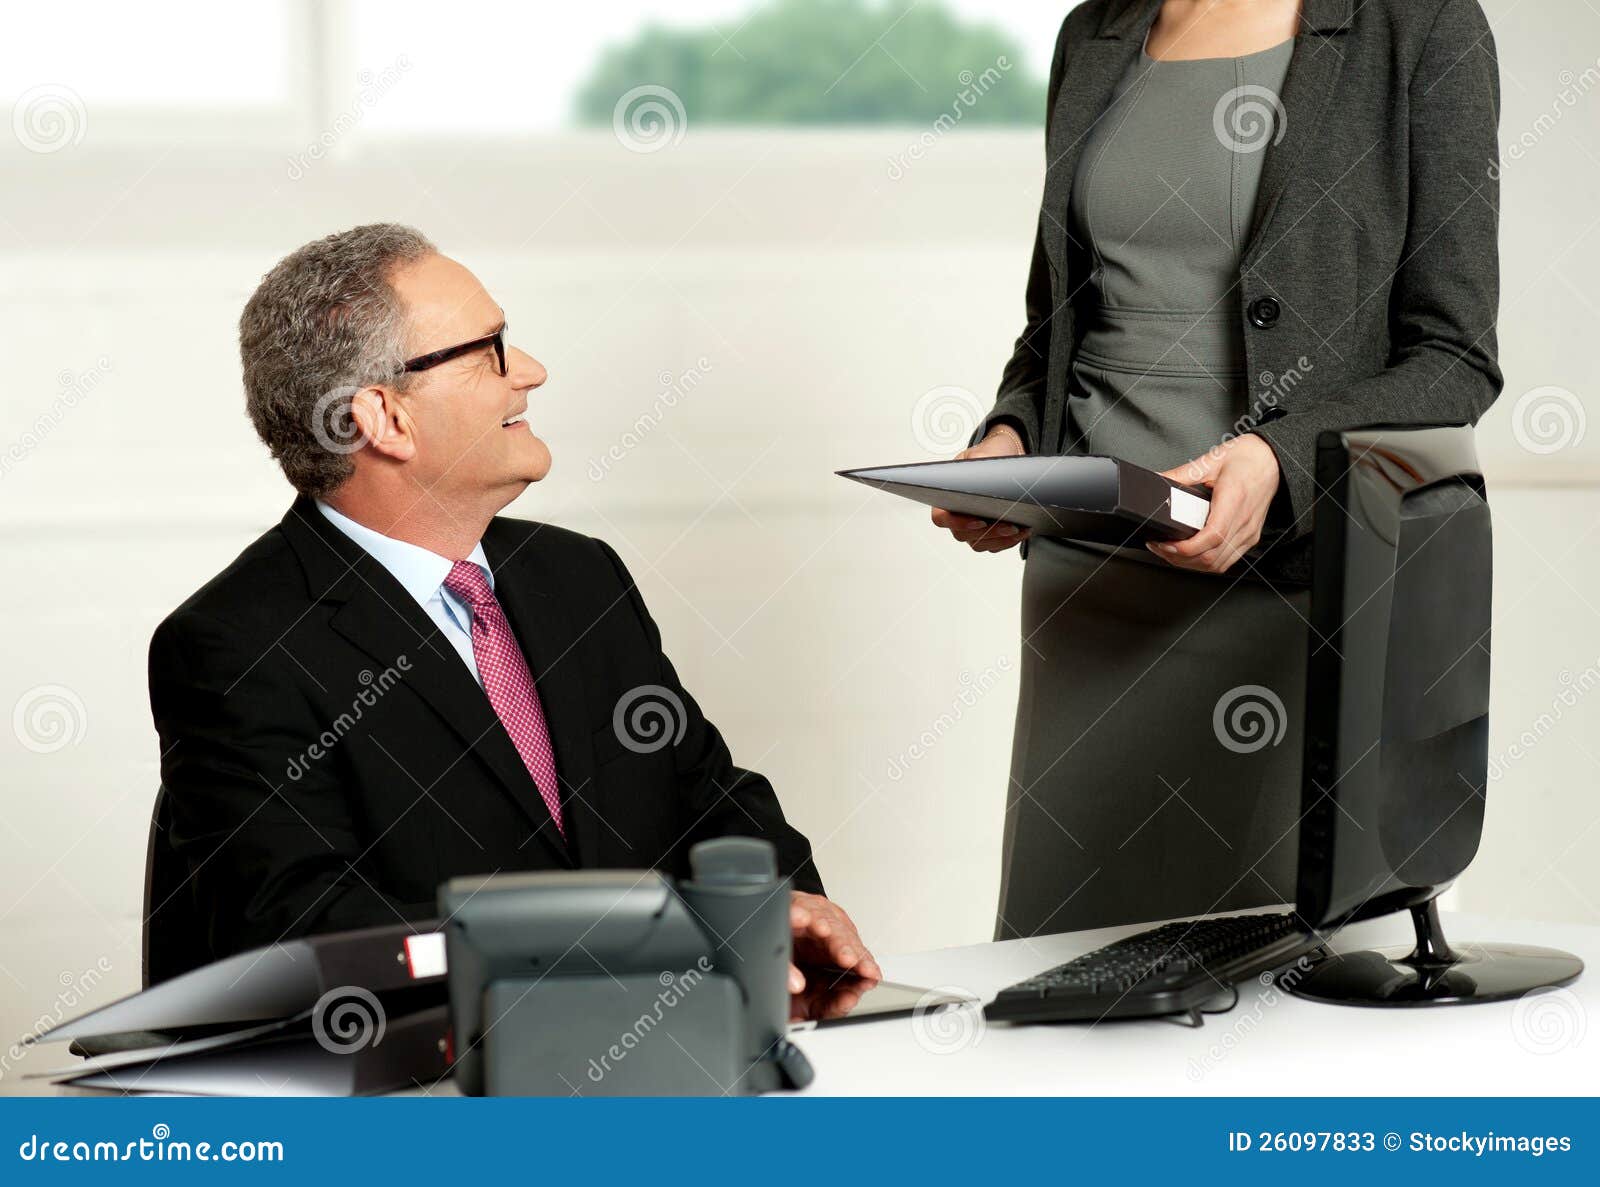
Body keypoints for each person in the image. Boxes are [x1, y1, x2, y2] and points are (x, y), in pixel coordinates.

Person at [149, 223, 877, 990]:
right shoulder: (234, 645)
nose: (529, 372)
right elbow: (303, 930)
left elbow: (705, 792)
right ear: (382, 417)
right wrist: (628, 946)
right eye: (490, 350)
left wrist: (784, 898)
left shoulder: (576, 575)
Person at [933, 0, 1503, 936]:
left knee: (1277, 987)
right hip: (1089, 591)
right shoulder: (1096, 33)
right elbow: (1057, 327)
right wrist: (1010, 441)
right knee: (1059, 981)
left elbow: (1454, 356)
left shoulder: (1422, 28)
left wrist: (1278, 458)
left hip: (1290, 591)